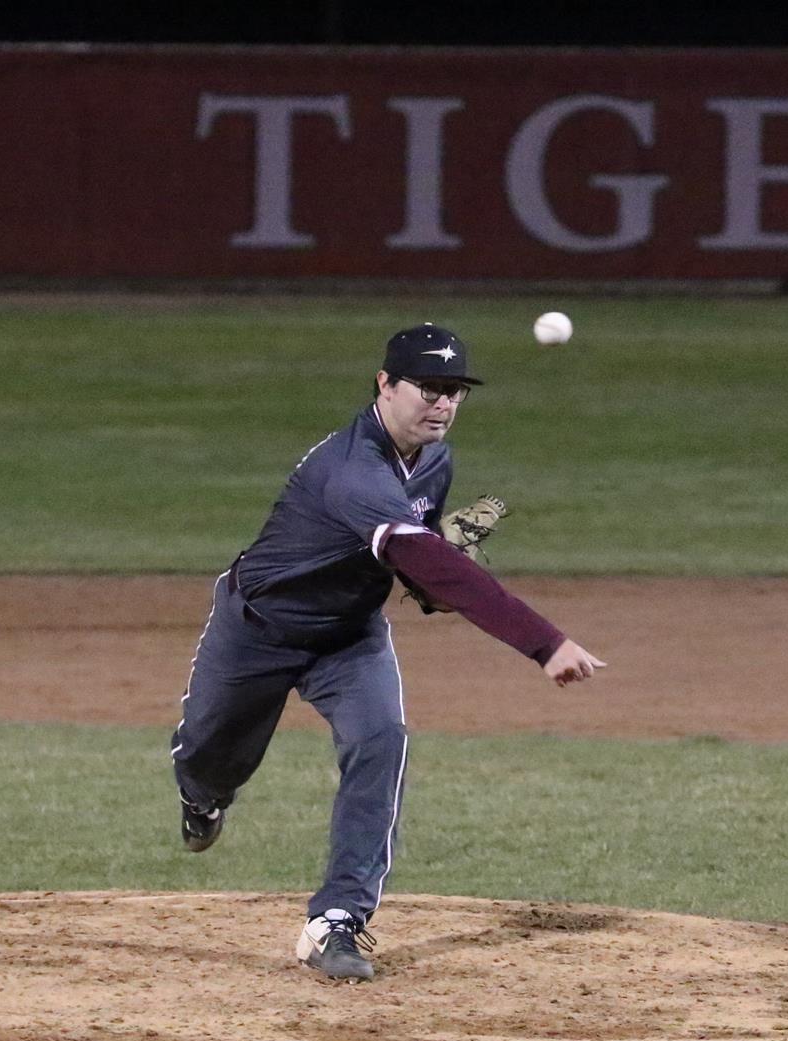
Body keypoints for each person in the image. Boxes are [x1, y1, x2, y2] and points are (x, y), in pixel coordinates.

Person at [171, 323, 605, 983]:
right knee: (208, 757)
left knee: (382, 740)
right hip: (256, 630)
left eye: (454, 391)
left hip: (348, 637)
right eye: (429, 388)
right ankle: (202, 798)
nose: (443, 404)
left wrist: (429, 573)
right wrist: (543, 641)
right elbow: (420, 555)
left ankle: (337, 919)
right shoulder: (350, 471)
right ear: (385, 384)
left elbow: (415, 562)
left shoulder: (435, 458)